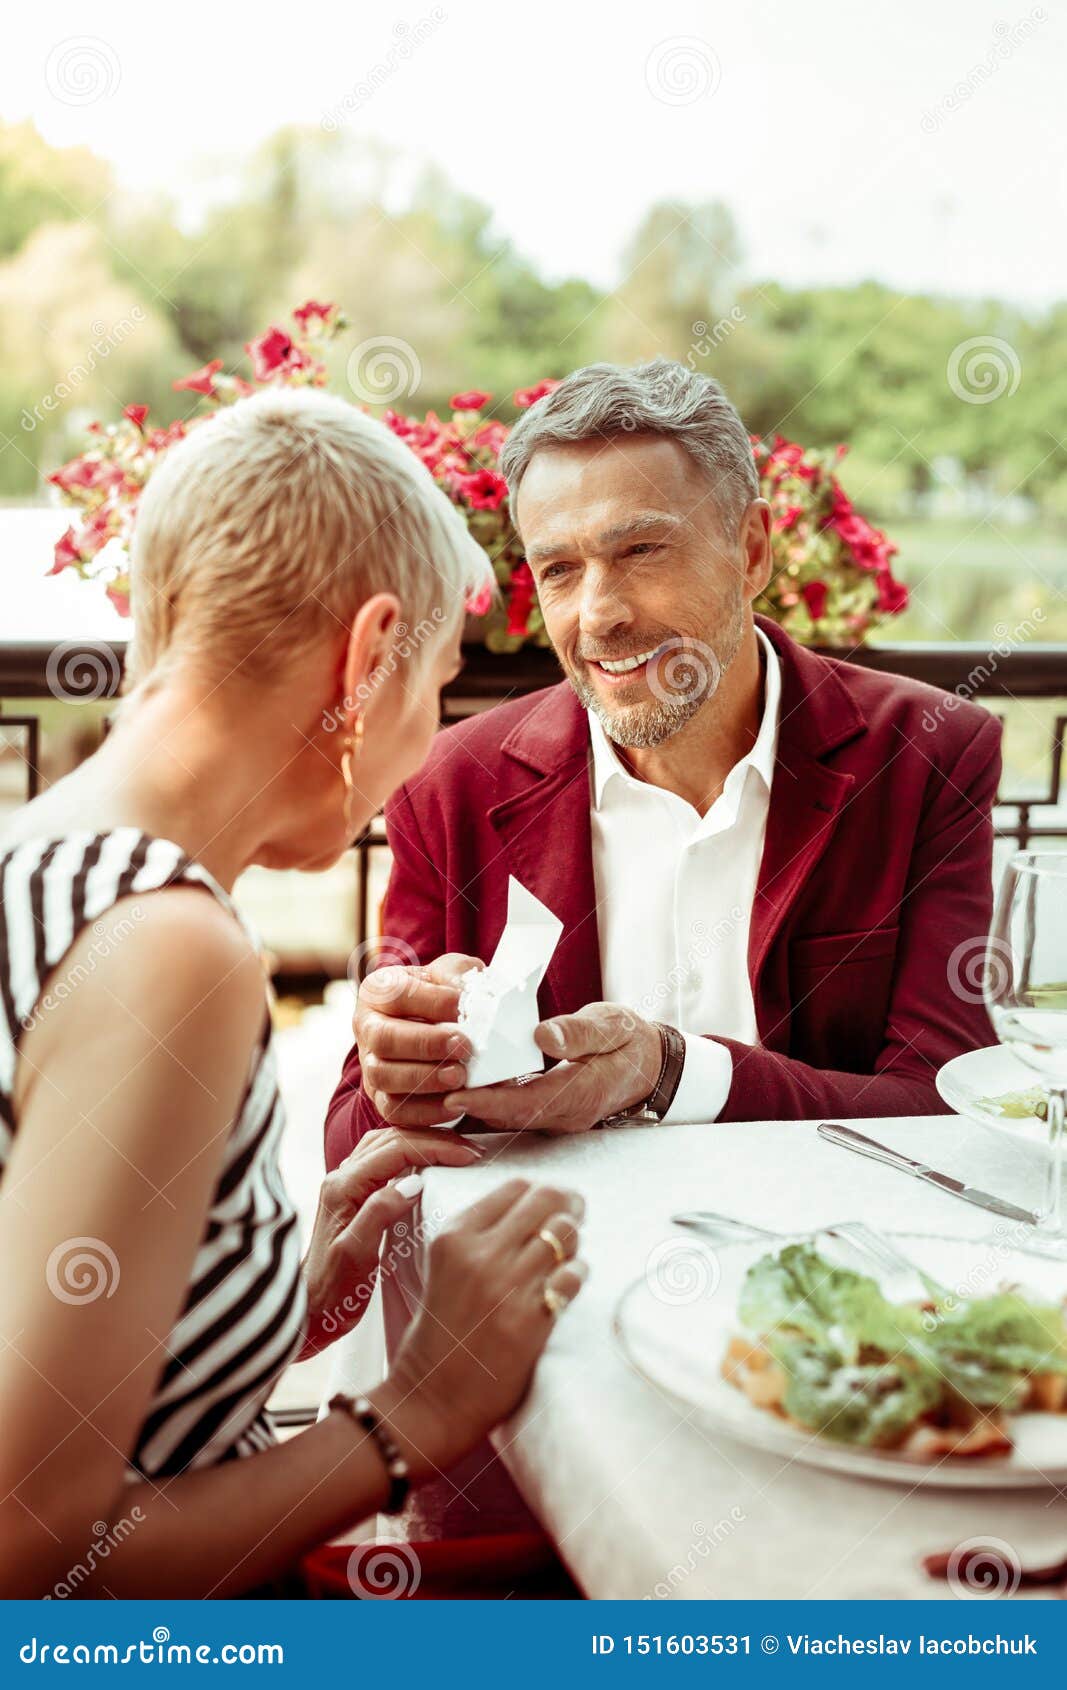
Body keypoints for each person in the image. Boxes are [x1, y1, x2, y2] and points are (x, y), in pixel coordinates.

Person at [0, 388, 585, 1599]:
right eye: (434, 681)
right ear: (366, 660)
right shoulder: (166, 944)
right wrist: (410, 1411)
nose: (426, 736)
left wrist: (271, 1283)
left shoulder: (43, 856)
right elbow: (29, 1546)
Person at [325, 356, 1002, 1162]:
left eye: (642, 550)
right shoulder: (449, 784)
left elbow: (946, 1104)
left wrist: (672, 1072)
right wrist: (404, 1077)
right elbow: (349, 1139)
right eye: (559, 570)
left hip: (823, 1251)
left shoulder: (926, 753)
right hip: (560, 1267)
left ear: (750, 551)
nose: (598, 615)